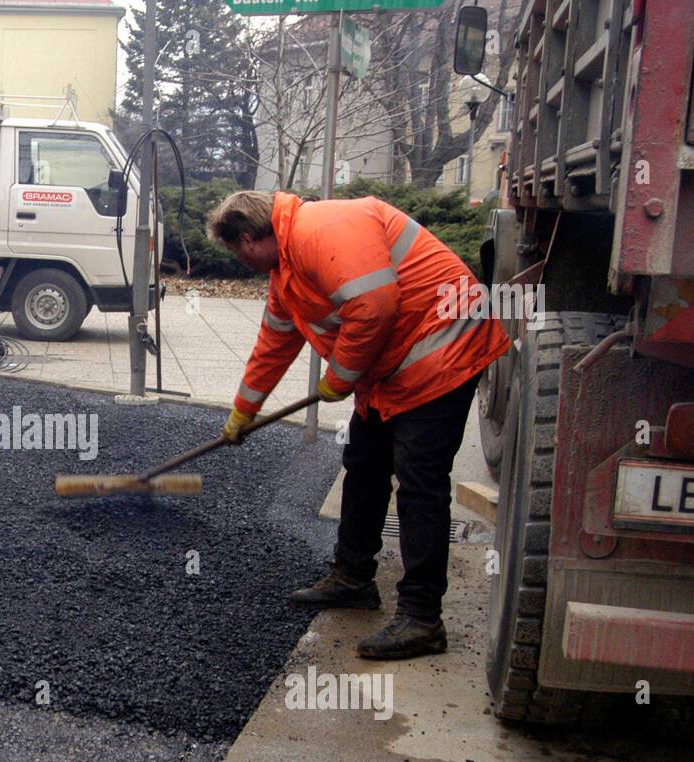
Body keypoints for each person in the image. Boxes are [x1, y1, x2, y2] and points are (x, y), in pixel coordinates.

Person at [206, 190, 509, 660]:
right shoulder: (285, 268)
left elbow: (376, 304)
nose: (240, 260)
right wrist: (244, 410)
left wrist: (339, 377)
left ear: (247, 238)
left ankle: (422, 618)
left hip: (442, 348)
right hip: (392, 365)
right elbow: (275, 341)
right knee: (364, 463)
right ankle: (352, 578)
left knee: (420, 481)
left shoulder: (320, 229)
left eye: (236, 251)